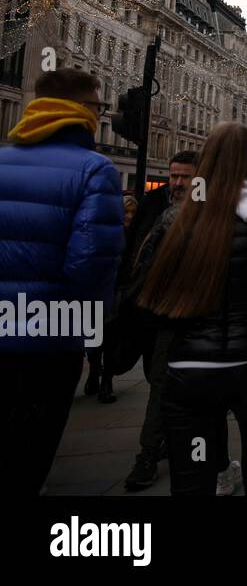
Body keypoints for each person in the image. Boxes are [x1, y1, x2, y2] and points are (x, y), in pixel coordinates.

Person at [134, 123, 247, 496]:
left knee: (193, 478)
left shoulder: (177, 216)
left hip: (191, 371)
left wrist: (179, 322)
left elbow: (142, 289)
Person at [0, 68, 124, 495]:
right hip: (50, 335)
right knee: (31, 445)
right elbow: (90, 264)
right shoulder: (95, 169)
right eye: (98, 105)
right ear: (84, 109)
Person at [119, 150, 198, 492]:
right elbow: (136, 254)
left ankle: (171, 450)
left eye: (185, 176)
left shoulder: (210, 212)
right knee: (159, 382)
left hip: (197, 314)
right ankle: (151, 451)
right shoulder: (154, 204)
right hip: (159, 311)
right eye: (174, 175)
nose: (178, 182)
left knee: (182, 387)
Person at [84, 194, 139, 404]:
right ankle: (94, 372)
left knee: (112, 339)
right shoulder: (107, 234)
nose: (130, 216)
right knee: (97, 338)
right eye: (126, 212)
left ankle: (106, 380)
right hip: (103, 290)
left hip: (121, 294)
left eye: (133, 212)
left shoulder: (136, 237)